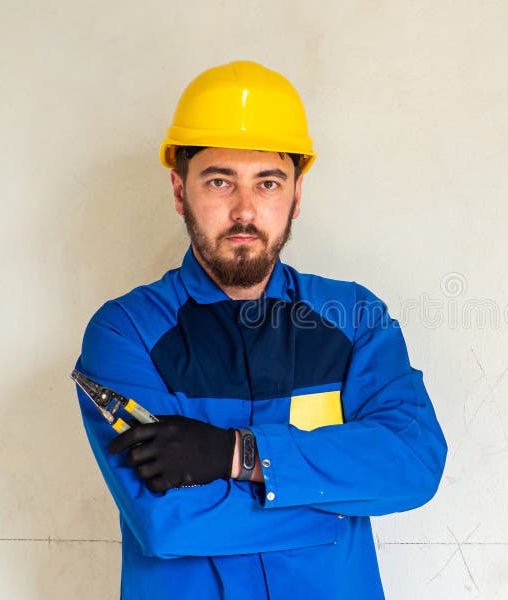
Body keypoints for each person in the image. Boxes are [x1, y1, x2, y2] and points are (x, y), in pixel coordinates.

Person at [75, 60, 447, 600]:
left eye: (268, 183)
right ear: (179, 190)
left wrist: (238, 454)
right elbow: (168, 522)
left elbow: (413, 465)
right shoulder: (126, 332)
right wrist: (335, 506)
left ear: (296, 194)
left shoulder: (355, 318)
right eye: (219, 181)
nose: (245, 210)